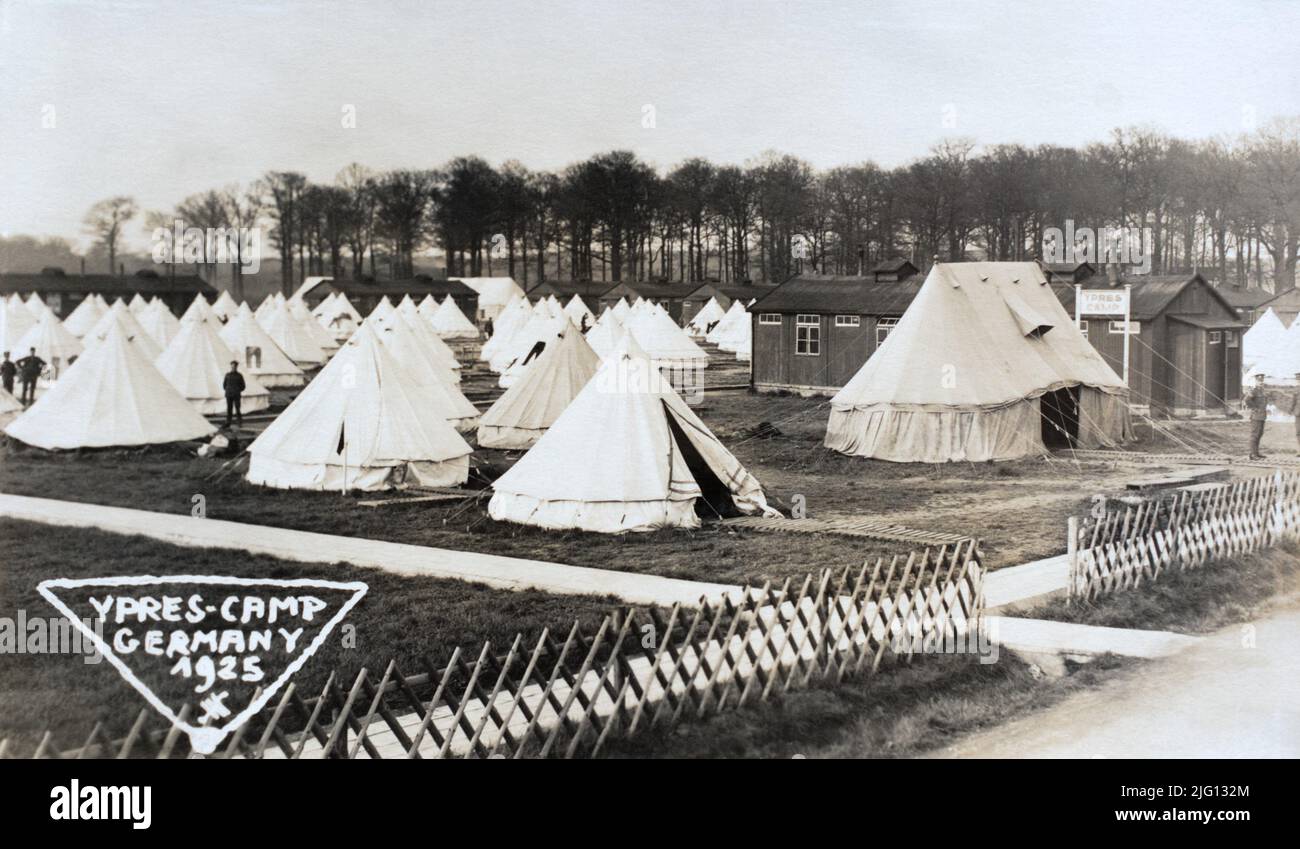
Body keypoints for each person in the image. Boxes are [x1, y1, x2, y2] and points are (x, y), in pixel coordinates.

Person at [1244, 372, 1269, 460]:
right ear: (1255, 381)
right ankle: (1252, 454)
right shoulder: (1254, 390)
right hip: (1256, 416)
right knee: (1255, 435)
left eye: (1262, 380)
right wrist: (1254, 408)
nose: (1261, 382)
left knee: (1259, 434)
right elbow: (1246, 400)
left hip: (1262, 416)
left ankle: (1256, 453)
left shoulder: (1262, 390)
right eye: (1259, 381)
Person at [223, 360, 246, 428]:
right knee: (229, 409)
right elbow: (224, 385)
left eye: (234, 366)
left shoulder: (239, 376)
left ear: (236, 367)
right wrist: (228, 390)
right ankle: (228, 422)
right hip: (229, 395)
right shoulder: (227, 375)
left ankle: (239, 423)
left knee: (237, 409)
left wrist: (237, 390)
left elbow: (243, 386)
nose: (233, 367)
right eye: (232, 366)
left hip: (236, 395)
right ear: (231, 366)